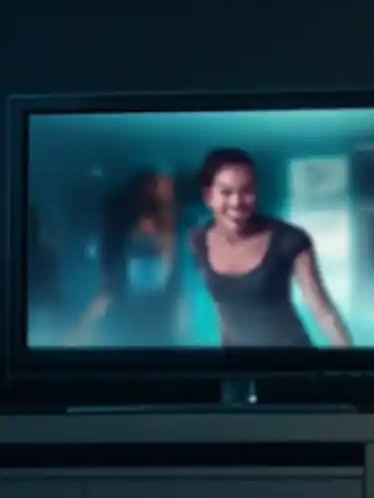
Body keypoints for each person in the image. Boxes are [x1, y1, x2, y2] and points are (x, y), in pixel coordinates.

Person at [191, 147, 352, 348]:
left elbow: (323, 311)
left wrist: (349, 367)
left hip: (289, 364)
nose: (237, 202)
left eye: (247, 191)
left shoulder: (289, 240)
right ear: (208, 196)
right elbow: (222, 308)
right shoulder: (198, 241)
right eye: (226, 192)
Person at [70, 170, 185, 347]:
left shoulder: (125, 282)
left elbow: (106, 295)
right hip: (144, 292)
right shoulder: (165, 293)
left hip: (139, 286)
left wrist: (81, 330)